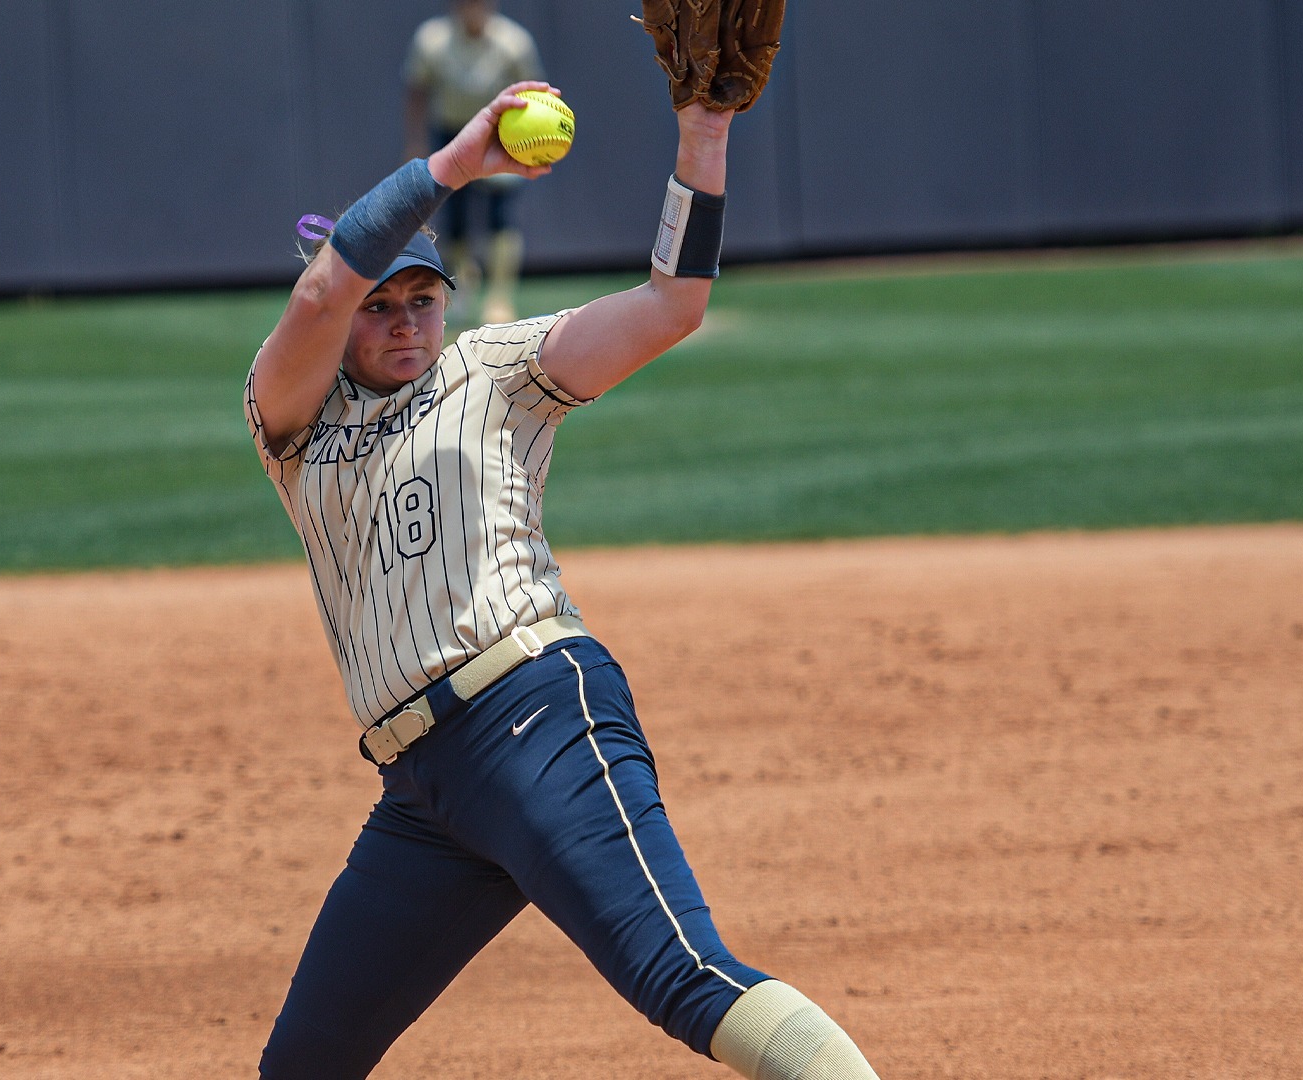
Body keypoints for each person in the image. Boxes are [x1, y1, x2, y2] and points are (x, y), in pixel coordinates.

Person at [242, 70, 883, 1080]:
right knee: (302, 1066)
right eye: (382, 308)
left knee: (682, 975)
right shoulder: (288, 426)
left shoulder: (493, 369)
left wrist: (702, 140)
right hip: (423, 794)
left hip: (535, 712)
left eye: (424, 298)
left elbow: (672, 306)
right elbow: (321, 291)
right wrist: (458, 162)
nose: (407, 322)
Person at [402, 0, 543, 325]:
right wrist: (415, 142)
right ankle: (462, 287)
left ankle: (500, 297)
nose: (474, 9)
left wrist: (526, 143)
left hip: (499, 136)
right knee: (455, 220)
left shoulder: (514, 42)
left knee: (500, 215)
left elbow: (534, 94)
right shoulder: (432, 39)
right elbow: (417, 91)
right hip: (451, 132)